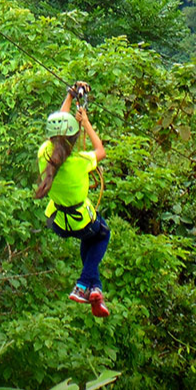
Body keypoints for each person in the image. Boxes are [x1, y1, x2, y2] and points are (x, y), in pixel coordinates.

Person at [35, 81, 110, 317]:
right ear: (73, 135)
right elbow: (101, 151)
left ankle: (94, 289)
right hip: (80, 220)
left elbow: (59, 124)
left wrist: (69, 96)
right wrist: (86, 123)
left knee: (88, 240)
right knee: (101, 233)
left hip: (57, 221)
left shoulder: (44, 154)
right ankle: (83, 284)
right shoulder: (79, 161)